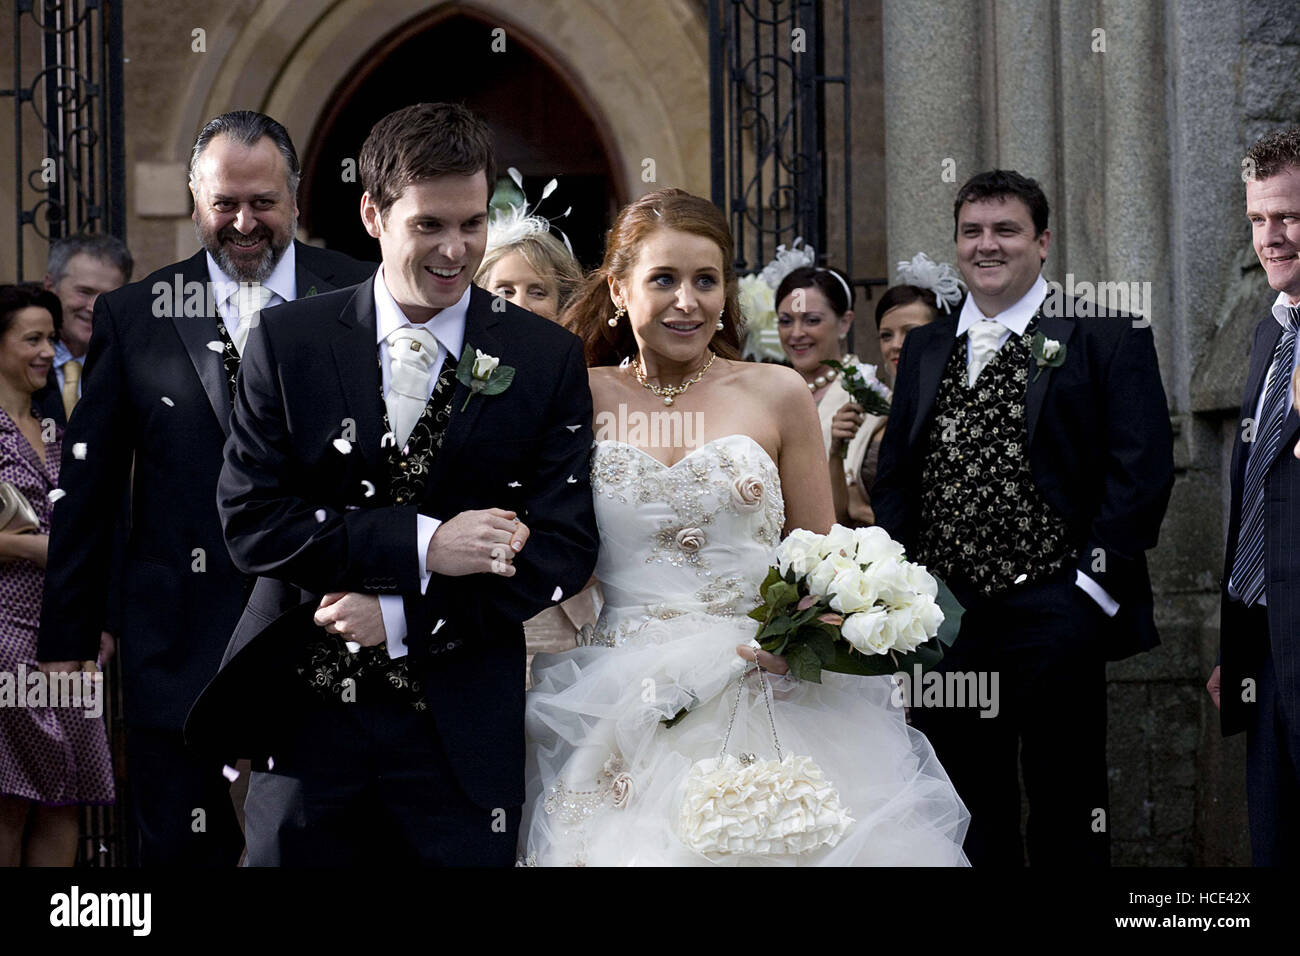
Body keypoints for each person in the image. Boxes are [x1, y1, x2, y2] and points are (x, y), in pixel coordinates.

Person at [185, 102, 599, 867]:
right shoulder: (289, 342)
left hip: (461, 733)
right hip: (306, 726)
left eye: (472, 224)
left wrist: (403, 614)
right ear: (373, 213)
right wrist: (427, 545)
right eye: (430, 226)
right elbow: (251, 522)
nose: (456, 250)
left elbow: (564, 546)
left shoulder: (543, 359)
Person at [519, 187, 969, 866]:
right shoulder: (579, 396)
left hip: (765, 678)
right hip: (621, 690)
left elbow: (819, 559)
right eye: (663, 279)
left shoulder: (776, 393)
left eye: (707, 280)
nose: (688, 301)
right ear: (618, 288)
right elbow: (559, 551)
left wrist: (804, 637)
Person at [37, 110, 375, 867]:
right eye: (226, 204)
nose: (244, 222)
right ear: (196, 204)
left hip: (321, 633)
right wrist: (66, 638)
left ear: (295, 200)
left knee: (310, 851)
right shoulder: (134, 316)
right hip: (176, 637)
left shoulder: (362, 292)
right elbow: (88, 486)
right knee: (179, 854)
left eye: (263, 203)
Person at [874, 169, 1174, 866]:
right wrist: (908, 592)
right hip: (946, 625)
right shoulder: (924, 348)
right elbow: (898, 481)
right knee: (963, 811)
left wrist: (1089, 592)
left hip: (1055, 611)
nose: (988, 245)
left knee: (1069, 805)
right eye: (972, 232)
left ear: (1042, 243)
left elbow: (1140, 475)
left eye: (1006, 230)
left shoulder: (1106, 334)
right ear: (955, 245)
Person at [1209, 125, 1300, 865]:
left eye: (1290, 216)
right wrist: (1238, 649)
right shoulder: (1272, 336)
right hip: (1266, 656)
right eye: (1258, 219)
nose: (1271, 237)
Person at [0, 285, 114, 866]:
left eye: (52, 337)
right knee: (11, 796)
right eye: (33, 339)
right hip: (5, 635)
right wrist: (33, 550)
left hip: (68, 633)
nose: (50, 350)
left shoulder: (57, 426)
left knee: (66, 794)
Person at [475, 202, 599, 685]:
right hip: (488, 610)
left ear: (564, 304)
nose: (520, 304)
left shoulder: (595, 387)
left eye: (538, 291)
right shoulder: (453, 389)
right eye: (504, 290)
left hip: (578, 611)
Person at [827, 254, 960, 526]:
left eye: (911, 333)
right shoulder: (875, 409)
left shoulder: (952, 413)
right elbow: (838, 514)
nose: (896, 345)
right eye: (886, 335)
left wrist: (864, 513)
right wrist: (836, 449)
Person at [776, 265, 880, 525]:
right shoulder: (769, 391)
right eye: (786, 321)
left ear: (844, 322)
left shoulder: (867, 396)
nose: (796, 333)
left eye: (812, 320)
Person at [34, 235, 133, 427]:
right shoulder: (20, 361)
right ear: (50, 286)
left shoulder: (128, 365)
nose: (94, 307)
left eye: (109, 296)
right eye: (85, 292)